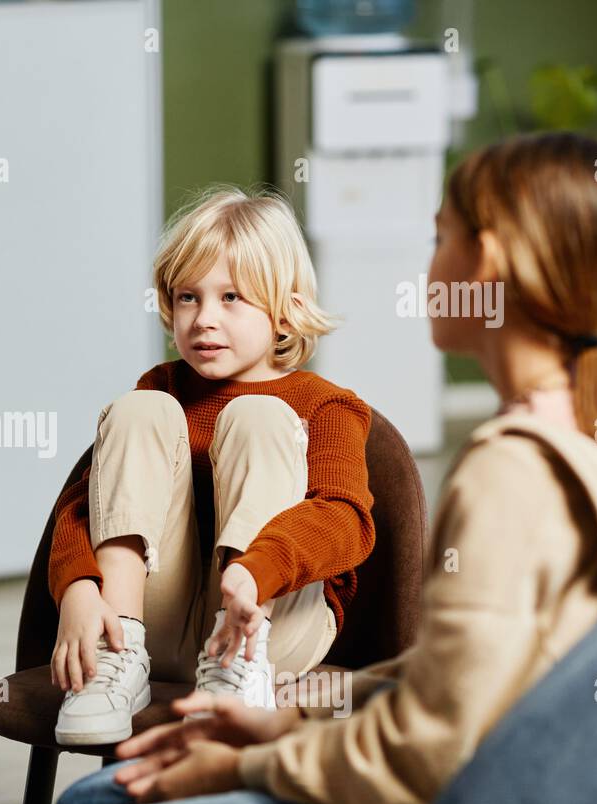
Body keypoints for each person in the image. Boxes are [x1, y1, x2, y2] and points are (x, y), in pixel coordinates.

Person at [0, 131, 597, 804]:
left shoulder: (510, 471)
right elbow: (468, 679)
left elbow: (436, 741)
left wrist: (246, 762)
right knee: (87, 803)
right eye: (188, 297)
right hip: (493, 793)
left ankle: (233, 677)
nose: (426, 267)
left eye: (439, 239)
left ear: (487, 263)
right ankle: (134, 660)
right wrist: (293, 719)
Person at [49, 185, 374, 746]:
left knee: (259, 416)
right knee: (139, 411)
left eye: (231, 298)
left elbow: (345, 519)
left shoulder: (327, 405)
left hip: (271, 630)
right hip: (160, 629)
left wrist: (256, 570)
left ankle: (235, 673)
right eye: (188, 298)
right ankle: (116, 657)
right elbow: (85, 506)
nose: (203, 319)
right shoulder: (163, 387)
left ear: (285, 311)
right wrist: (78, 588)